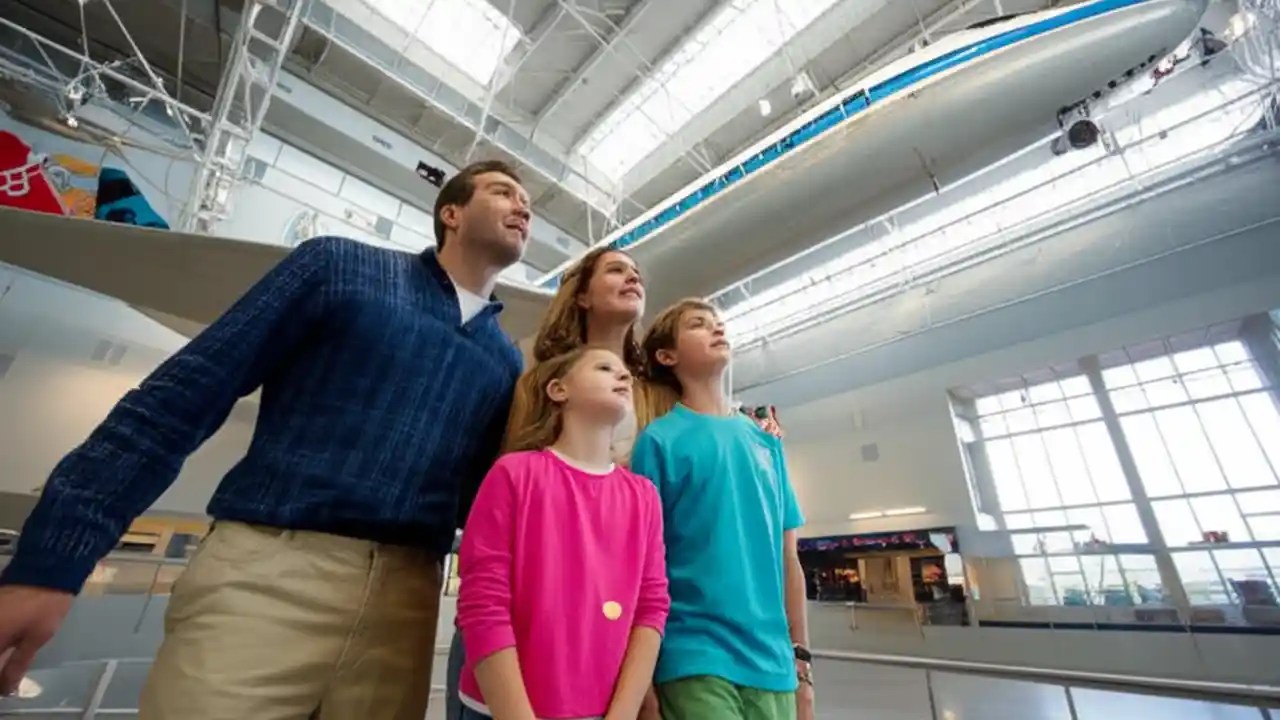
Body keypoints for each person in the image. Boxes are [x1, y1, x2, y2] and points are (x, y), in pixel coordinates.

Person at [0, 160, 531, 719]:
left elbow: (484, 509)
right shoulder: (340, 267)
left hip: (409, 603)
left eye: (528, 204)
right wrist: (51, 559)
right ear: (450, 212)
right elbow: (182, 396)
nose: (522, 208)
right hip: (266, 576)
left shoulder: (503, 361)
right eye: (503, 193)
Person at [445, 246, 648, 720]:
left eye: (637, 272)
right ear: (581, 295)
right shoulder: (529, 369)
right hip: (525, 601)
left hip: (608, 620)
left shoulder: (654, 392)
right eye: (616, 269)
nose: (633, 277)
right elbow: (506, 468)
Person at [456, 346, 669, 720]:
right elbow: (483, 603)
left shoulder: (644, 497)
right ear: (558, 390)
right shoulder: (514, 475)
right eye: (605, 368)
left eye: (626, 374)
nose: (624, 377)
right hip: (498, 709)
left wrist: (622, 714)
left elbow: (651, 609)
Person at [630, 299, 815, 720]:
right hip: (695, 654)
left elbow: (790, 561)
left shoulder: (768, 445)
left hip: (774, 666)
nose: (716, 328)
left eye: (719, 323)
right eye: (699, 324)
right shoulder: (658, 442)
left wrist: (802, 667)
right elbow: (643, 564)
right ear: (667, 356)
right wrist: (642, 679)